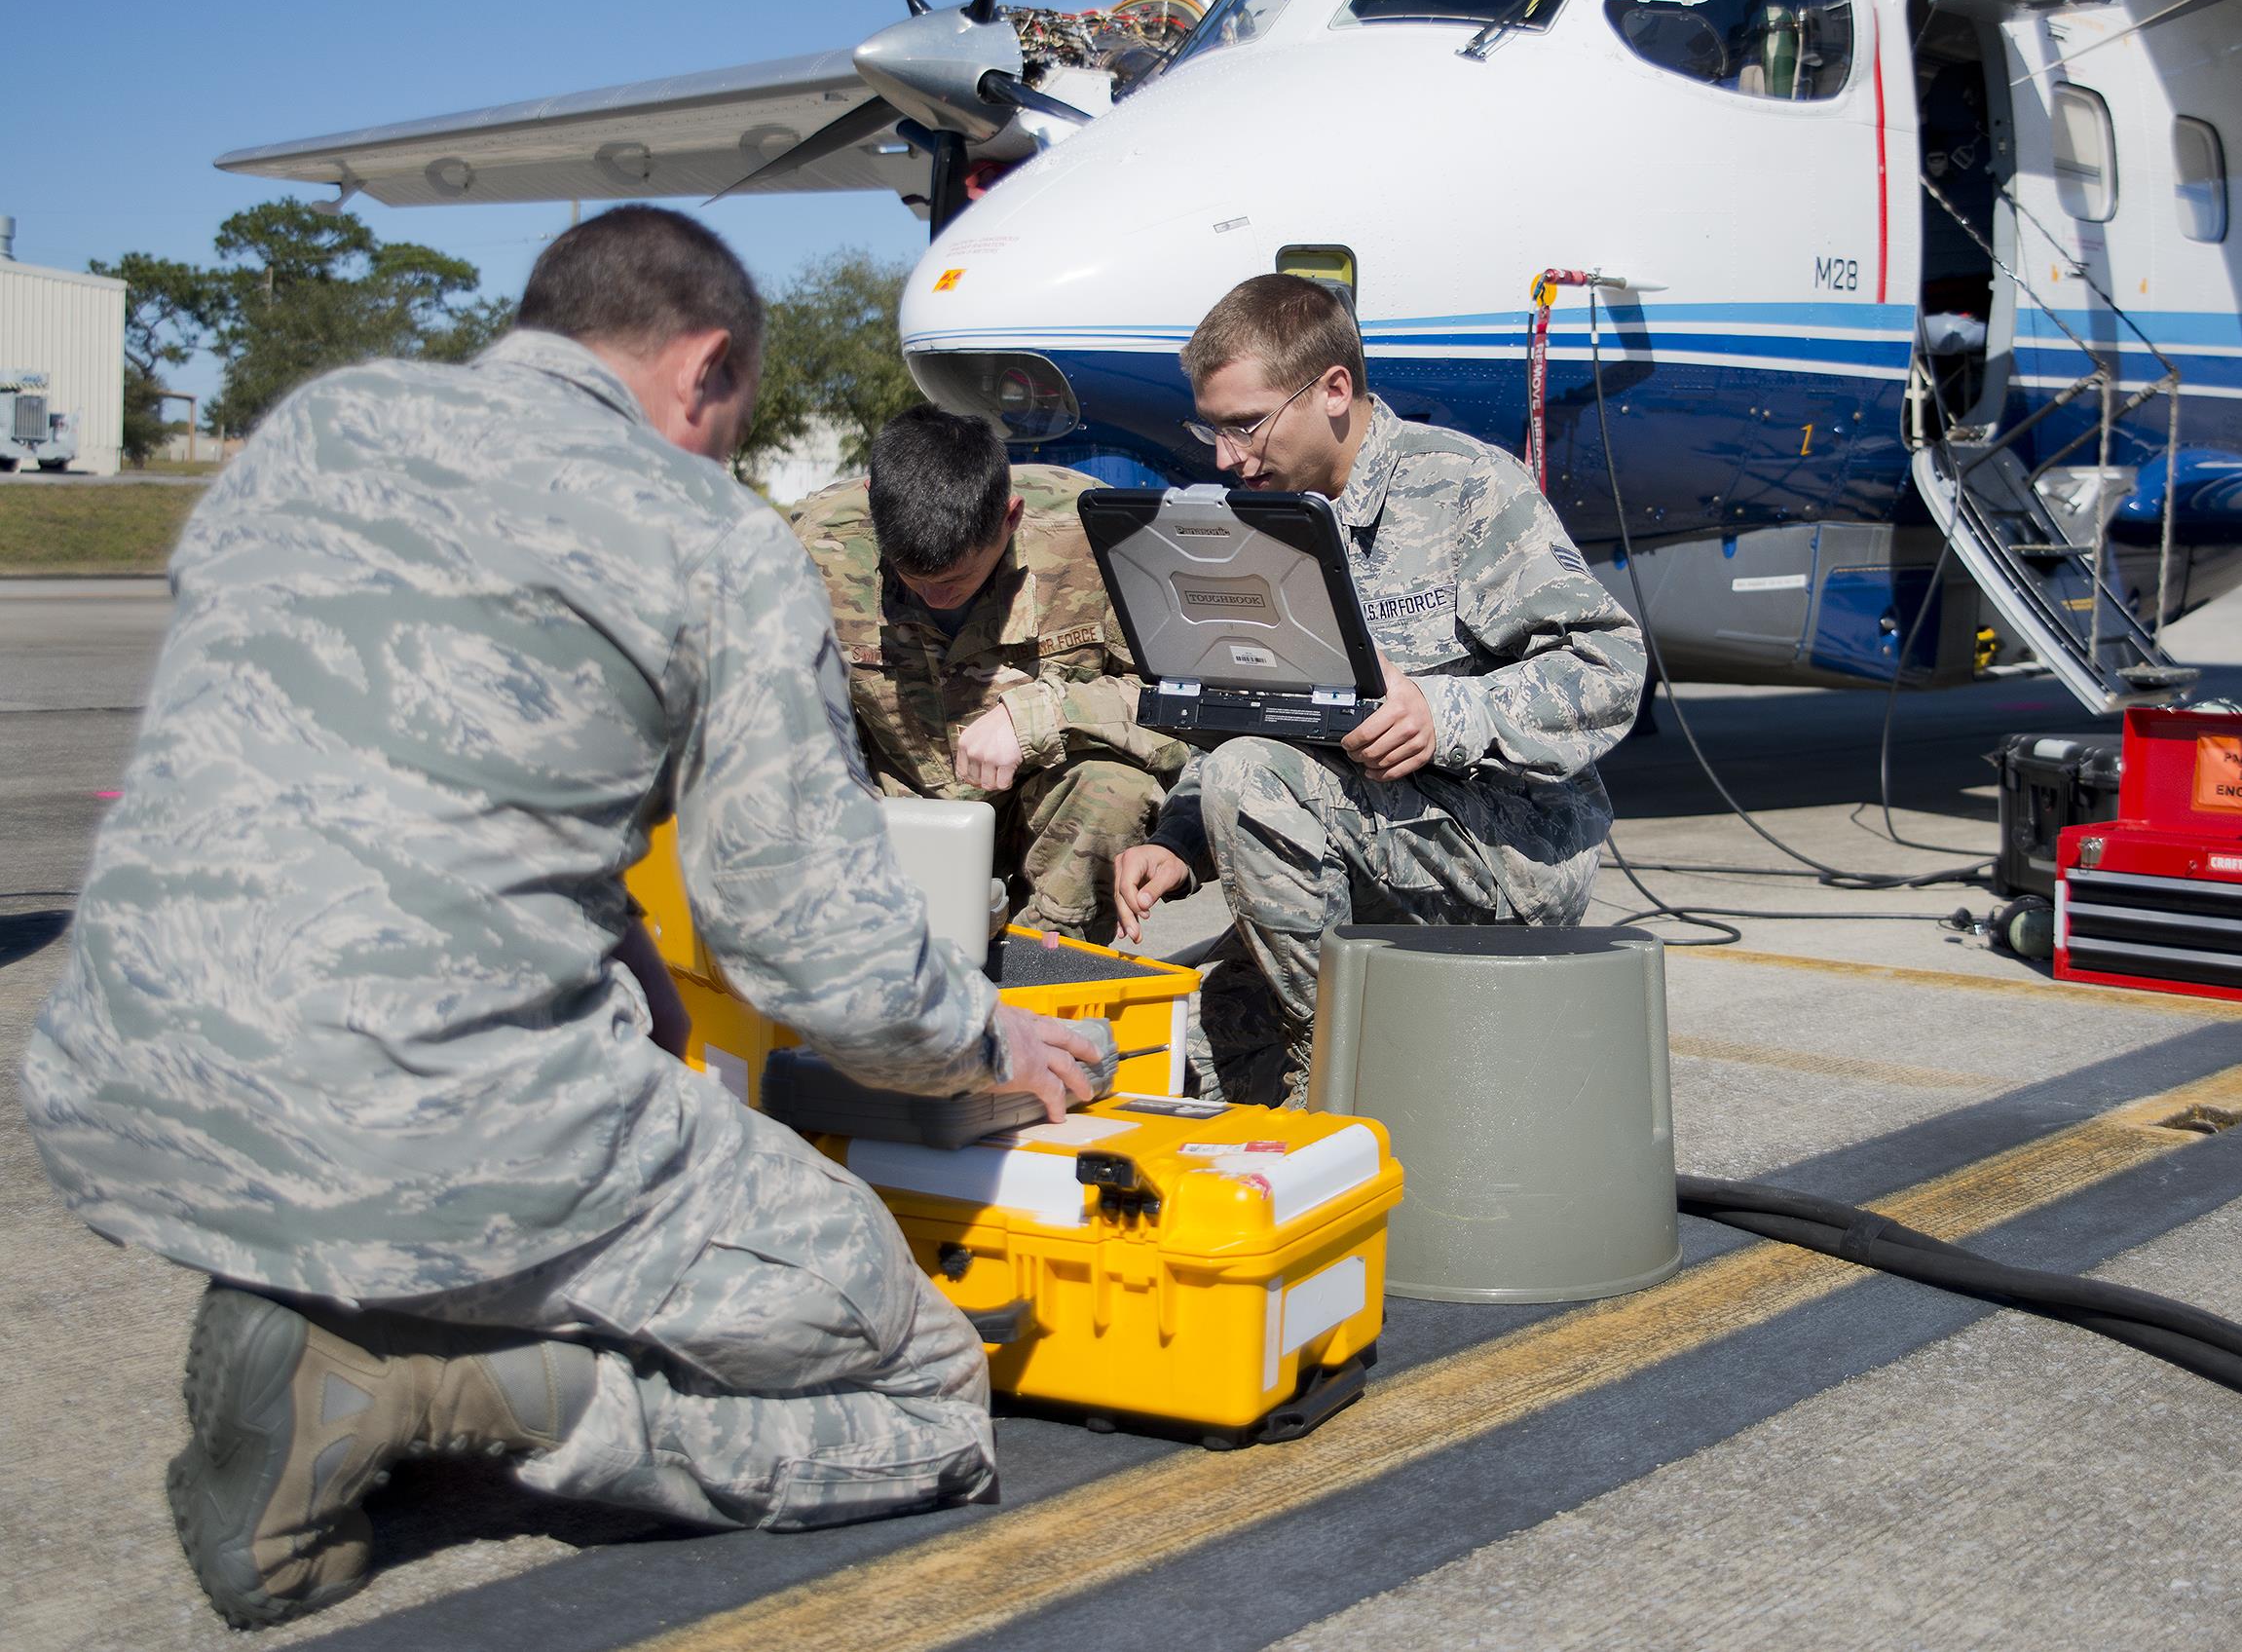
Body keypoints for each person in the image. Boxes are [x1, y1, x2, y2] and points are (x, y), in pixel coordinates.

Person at [19, 206, 1102, 1629]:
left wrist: (615, 940)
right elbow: (810, 947)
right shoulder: (709, 534)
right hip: (431, 1121)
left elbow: (399, 761)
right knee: (929, 1390)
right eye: (732, 416)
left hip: (121, 1098)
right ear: (706, 367)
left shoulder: (320, 432)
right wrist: (984, 1038)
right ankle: (457, 1385)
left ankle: (341, 1322)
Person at [1111, 275, 1648, 1103]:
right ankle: (1346, 1057)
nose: (1225, 456)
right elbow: (1254, 715)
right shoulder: (1263, 511)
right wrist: (1180, 840)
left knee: (1249, 785)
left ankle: (1341, 1077)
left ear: (1332, 390)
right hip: (1363, 854)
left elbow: (1610, 667)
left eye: (1245, 425)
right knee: (1172, 1059)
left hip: (1504, 856)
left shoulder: (1466, 486)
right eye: (1211, 428)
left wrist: (1445, 712)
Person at [790, 405, 1184, 945]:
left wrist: (1038, 715)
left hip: (1041, 816)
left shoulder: (1096, 537)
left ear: (1011, 516)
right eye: (912, 576)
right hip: (892, 818)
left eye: (955, 580)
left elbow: (1184, 703)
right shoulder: (819, 545)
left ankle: (1043, 977)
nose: (934, 597)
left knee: (1115, 789)